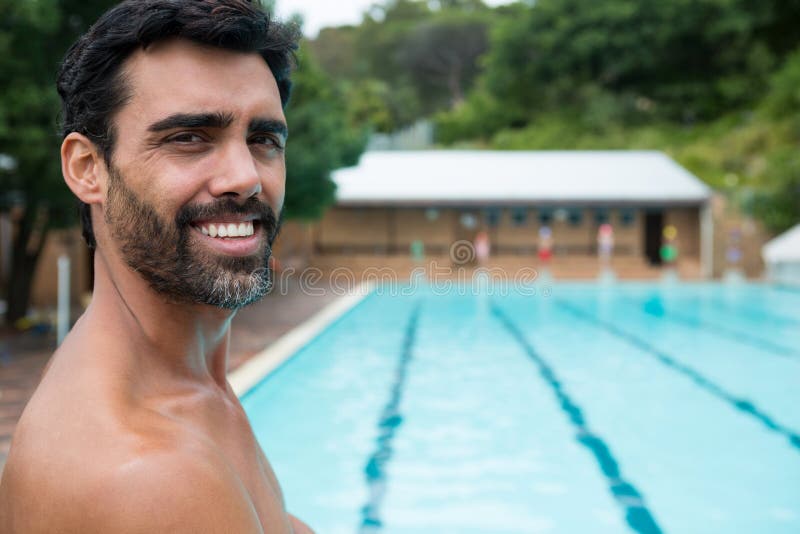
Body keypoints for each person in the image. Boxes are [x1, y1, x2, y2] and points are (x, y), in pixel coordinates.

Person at [0, 1, 314, 532]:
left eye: (263, 140)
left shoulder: (176, 385)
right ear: (87, 169)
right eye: (188, 138)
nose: (245, 177)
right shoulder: (152, 478)